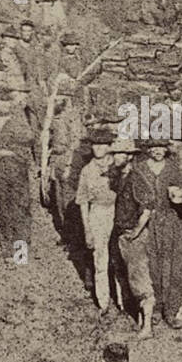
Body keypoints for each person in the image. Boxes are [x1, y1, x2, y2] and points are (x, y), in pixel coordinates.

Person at [140, 139, 182, 330]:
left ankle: (171, 310)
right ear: (149, 149)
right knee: (152, 265)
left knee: (174, 266)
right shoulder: (141, 169)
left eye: (161, 147)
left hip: (172, 220)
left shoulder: (173, 168)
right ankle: (154, 308)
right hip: (149, 221)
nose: (158, 151)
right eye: (154, 147)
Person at [114, 138, 157, 337]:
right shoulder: (121, 177)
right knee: (131, 278)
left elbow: (147, 207)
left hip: (134, 236)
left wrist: (137, 231)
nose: (115, 157)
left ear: (129, 156)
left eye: (120, 154)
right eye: (114, 153)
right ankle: (140, 319)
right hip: (123, 234)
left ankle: (147, 326)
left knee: (140, 280)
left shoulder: (135, 178)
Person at [76, 129, 119, 314]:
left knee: (120, 258)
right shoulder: (87, 170)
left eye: (103, 145)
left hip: (118, 212)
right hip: (98, 214)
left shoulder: (117, 166)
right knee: (100, 259)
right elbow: (83, 202)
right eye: (95, 144)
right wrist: (87, 229)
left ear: (110, 147)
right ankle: (104, 302)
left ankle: (124, 302)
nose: (99, 148)